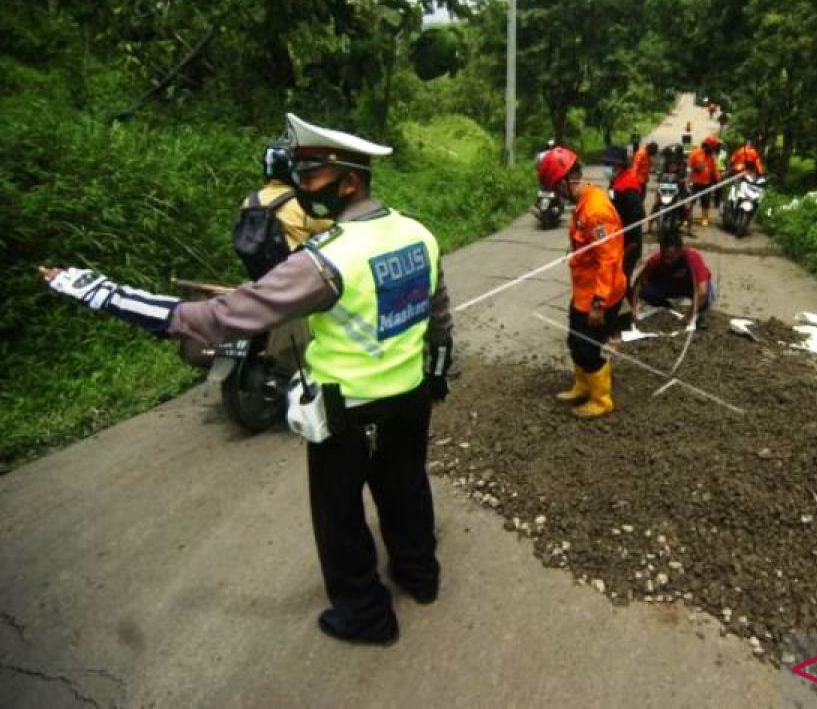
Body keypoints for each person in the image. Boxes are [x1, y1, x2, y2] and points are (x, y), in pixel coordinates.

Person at [41, 113, 454, 647]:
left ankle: (367, 617)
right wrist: (437, 373)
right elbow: (439, 315)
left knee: (340, 515)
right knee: (407, 488)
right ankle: (421, 576)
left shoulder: (327, 260)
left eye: (312, 178)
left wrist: (104, 294)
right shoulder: (418, 233)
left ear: (350, 182)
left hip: (346, 411)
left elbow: (220, 317)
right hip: (411, 397)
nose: (302, 189)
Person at [537, 146, 626, 419]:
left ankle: (601, 400)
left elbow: (609, 259)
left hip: (601, 294)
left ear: (567, 181)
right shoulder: (583, 203)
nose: (557, 193)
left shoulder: (596, 210)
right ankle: (582, 386)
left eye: (556, 186)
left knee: (588, 348)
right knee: (574, 341)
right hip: (584, 291)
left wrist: (599, 304)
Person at [251, 141, 335, 252]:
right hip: (296, 261)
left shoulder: (251, 200)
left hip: (260, 263)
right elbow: (333, 228)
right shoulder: (302, 201)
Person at [629, 229, 715, 330]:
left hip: (691, 285)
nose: (667, 261)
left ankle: (699, 314)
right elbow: (638, 283)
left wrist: (690, 314)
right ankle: (666, 307)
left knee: (706, 296)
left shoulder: (692, 259)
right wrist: (634, 306)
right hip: (671, 283)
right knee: (646, 291)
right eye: (664, 256)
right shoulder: (656, 260)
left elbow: (702, 291)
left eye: (670, 257)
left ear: (680, 251)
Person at [602, 146, 644, 300]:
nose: (606, 168)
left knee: (623, 279)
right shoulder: (615, 182)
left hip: (628, 243)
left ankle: (632, 306)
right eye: (605, 164)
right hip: (617, 241)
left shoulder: (628, 186)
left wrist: (628, 245)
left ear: (619, 165)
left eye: (609, 165)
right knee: (616, 277)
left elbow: (638, 217)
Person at [686, 135, 720, 230]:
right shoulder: (695, 153)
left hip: (706, 183)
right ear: (707, 146)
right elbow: (689, 166)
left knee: (706, 201)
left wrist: (718, 178)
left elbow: (714, 169)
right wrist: (689, 177)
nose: (713, 149)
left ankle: (704, 218)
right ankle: (687, 218)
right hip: (694, 182)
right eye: (712, 147)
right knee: (690, 201)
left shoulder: (712, 157)